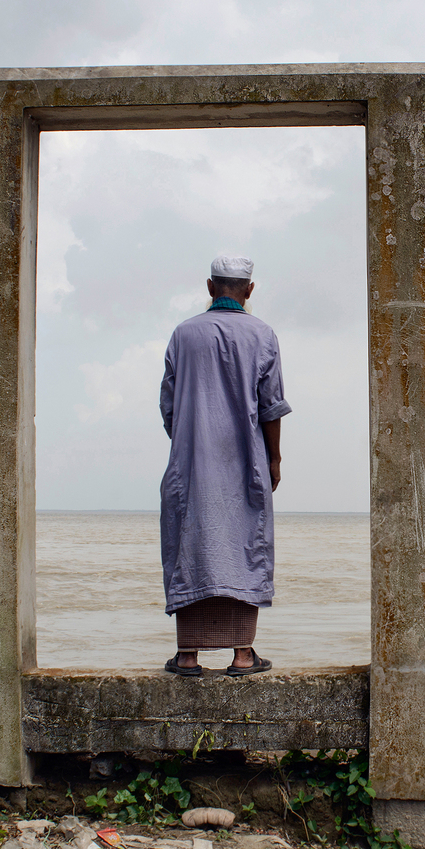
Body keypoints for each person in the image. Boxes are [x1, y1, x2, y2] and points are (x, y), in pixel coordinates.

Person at [158, 255, 291, 677]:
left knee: (192, 547)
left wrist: (190, 443)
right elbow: (271, 407)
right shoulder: (263, 334)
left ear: (211, 287)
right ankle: (242, 655)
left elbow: (169, 405)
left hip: (191, 466)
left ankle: (188, 656)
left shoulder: (184, 334)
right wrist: (273, 458)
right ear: (249, 290)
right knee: (243, 548)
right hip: (245, 464)